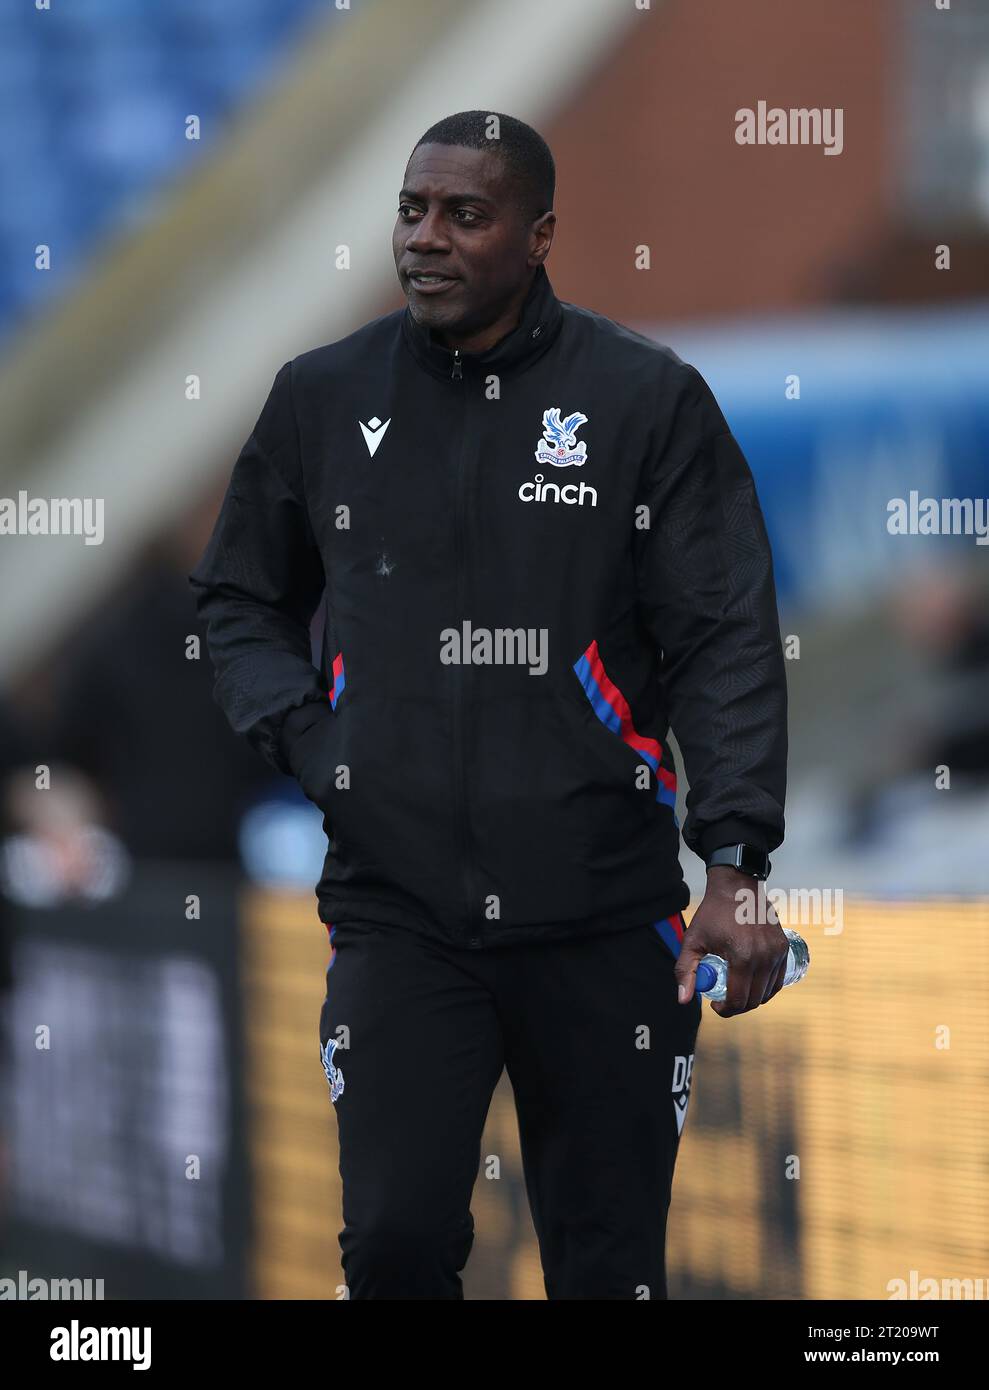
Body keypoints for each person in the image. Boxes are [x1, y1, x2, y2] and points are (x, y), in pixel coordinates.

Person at [189, 110, 789, 1300]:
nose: (426, 238)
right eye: (412, 210)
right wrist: (321, 747)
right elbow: (233, 603)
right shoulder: (320, 396)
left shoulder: (645, 401)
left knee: (607, 1273)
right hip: (399, 913)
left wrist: (731, 860)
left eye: (465, 214)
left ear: (539, 233)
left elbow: (721, 634)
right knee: (397, 1249)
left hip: (607, 919)